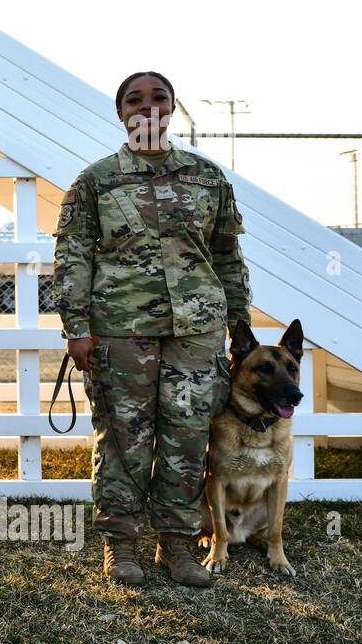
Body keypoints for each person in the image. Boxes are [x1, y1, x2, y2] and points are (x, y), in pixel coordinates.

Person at [53, 71, 250, 588]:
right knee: (124, 441)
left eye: (158, 98)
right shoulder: (96, 181)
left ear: (172, 108)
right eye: (134, 100)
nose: (147, 107)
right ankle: (121, 547)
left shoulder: (209, 179)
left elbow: (228, 256)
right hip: (121, 330)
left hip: (197, 332)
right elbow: (72, 258)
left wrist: (239, 323)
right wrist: (77, 328)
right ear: (121, 113)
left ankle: (178, 546)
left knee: (187, 439)